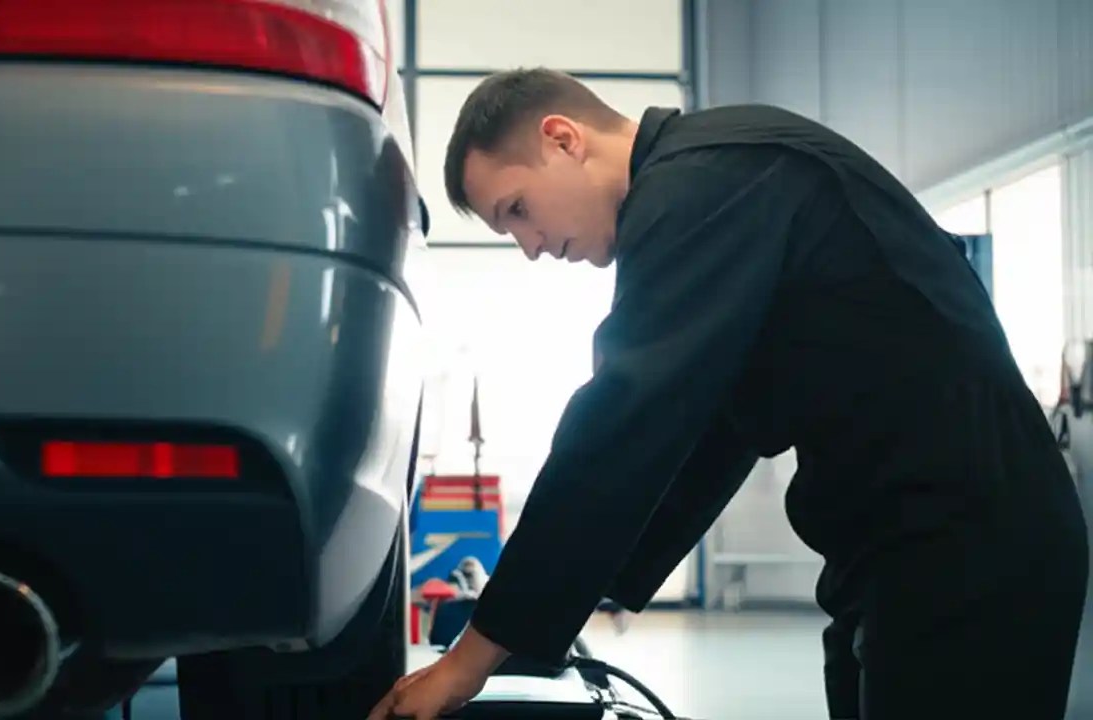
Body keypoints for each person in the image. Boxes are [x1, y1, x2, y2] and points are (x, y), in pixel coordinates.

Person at [368, 68, 1089, 720]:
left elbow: (623, 424)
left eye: (517, 210)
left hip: (969, 545)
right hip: (906, 550)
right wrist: (589, 587)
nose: (529, 245)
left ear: (563, 140)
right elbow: (713, 431)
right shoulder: (718, 178)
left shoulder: (704, 184)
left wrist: (471, 660)